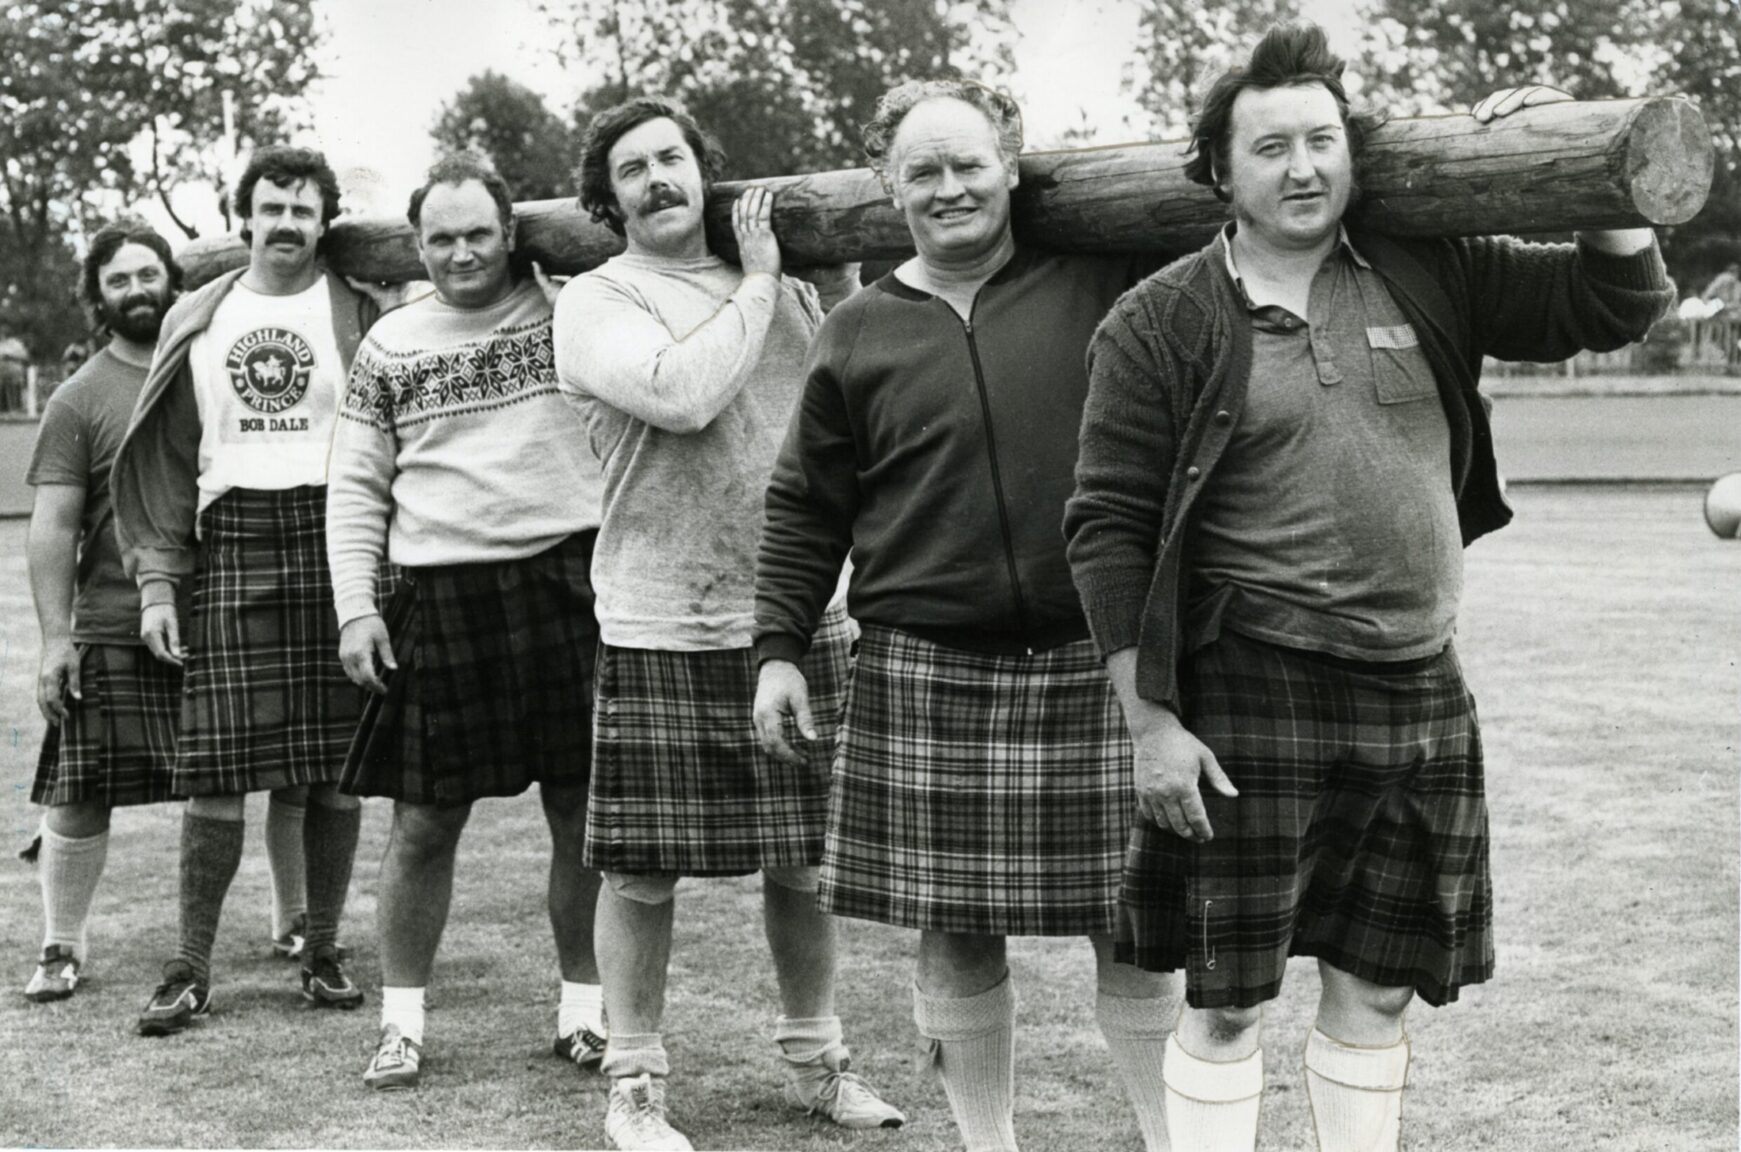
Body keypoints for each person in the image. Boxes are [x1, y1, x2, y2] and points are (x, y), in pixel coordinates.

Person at [1063, 23, 1672, 1151]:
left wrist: (1581, 155)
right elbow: (1105, 529)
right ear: (1217, 173)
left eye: (1324, 140)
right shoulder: (1159, 320)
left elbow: (1611, 302)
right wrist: (1148, 722)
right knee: (1230, 995)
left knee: (1379, 985)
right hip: (1252, 681)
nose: (1304, 168)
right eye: (1272, 148)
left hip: (1415, 678)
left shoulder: (1425, 264)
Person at [753, 79, 1176, 1152]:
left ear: (1012, 164)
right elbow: (807, 505)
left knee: (1139, 921)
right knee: (954, 930)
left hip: (1104, 656)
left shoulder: (1105, 287)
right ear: (888, 187)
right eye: (923, 171)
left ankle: (1174, 1139)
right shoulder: (855, 330)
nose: (950, 189)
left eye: (968, 164)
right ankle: (988, 1144)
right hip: (928, 662)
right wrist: (778, 648)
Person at [553, 96, 899, 1151]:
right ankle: (636, 1083)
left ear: (706, 173)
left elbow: (847, 394)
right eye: (631, 170)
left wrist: (822, 277)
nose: (658, 180)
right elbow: (684, 392)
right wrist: (757, 282)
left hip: (793, 619)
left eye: (672, 159)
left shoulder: (783, 288)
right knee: (641, 871)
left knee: (804, 862)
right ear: (606, 202)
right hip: (662, 617)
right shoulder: (596, 300)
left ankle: (816, 1060)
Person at [326, 154, 608, 1091]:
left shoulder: (574, 311)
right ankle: (401, 1023)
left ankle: (585, 1012)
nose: (460, 253)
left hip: (573, 583)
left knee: (581, 812)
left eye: (477, 233)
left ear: (510, 233)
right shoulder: (391, 343)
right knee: (423, 821)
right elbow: (356, 485)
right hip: (440, 592)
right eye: (440, 238)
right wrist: (357, 608)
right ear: (418, 244)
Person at [111, 145, 394, 1036]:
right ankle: (190, 967)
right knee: (217, 770)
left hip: (337, 537)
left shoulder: (358, 311)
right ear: (244, 219)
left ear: (324, 222)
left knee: (332, 772)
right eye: (271, 208)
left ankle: (322, 951)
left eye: (303, 211)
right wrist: (158, 582)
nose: (286, 224)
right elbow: (160, 458)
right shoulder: (199, 314)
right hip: (231, 536)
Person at [22, 220, 183, 1002]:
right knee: (80, 790)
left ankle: (299, 927)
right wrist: (57, 639)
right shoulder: (78, 398)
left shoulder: (203, 368)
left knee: (288, 773)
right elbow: (53, 526)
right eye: (118, 280)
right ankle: (61, 944)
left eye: (147, 274)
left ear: (171, 279)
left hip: (217, 609)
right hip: (114, 619)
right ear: (98, 298)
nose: (136, 290)